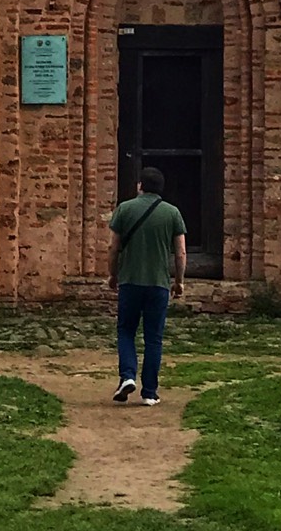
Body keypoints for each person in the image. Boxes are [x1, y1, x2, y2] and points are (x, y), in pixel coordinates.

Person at [107, 166, 186, 406]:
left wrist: (113, 275)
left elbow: (113, 247)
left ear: (140, 185)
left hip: (130, 280)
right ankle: (150, 392)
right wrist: (179, 281)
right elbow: (180, 252)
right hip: (158, 283)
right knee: (154, 338)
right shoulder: (172, 213)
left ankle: (127, 376)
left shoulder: (124, 209)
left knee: (126, 331)